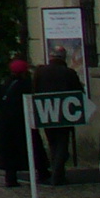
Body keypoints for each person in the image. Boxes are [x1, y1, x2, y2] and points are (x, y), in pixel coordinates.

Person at [34, 45, 86, 185]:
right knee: (62, 143)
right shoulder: (69, 73)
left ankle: (57, 172)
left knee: (52, 143)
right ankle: (58, 174)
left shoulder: (40, 72)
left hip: (46, 112)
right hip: (65, 113)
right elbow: (79, 92)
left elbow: (34, 90)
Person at [0, 57, 46, 186]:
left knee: (10, 151)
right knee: (34, 147)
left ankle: (10, 178)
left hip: (7, 123)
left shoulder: (6, 83)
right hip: (23, 122)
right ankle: (43, 172)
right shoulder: (25, 84)